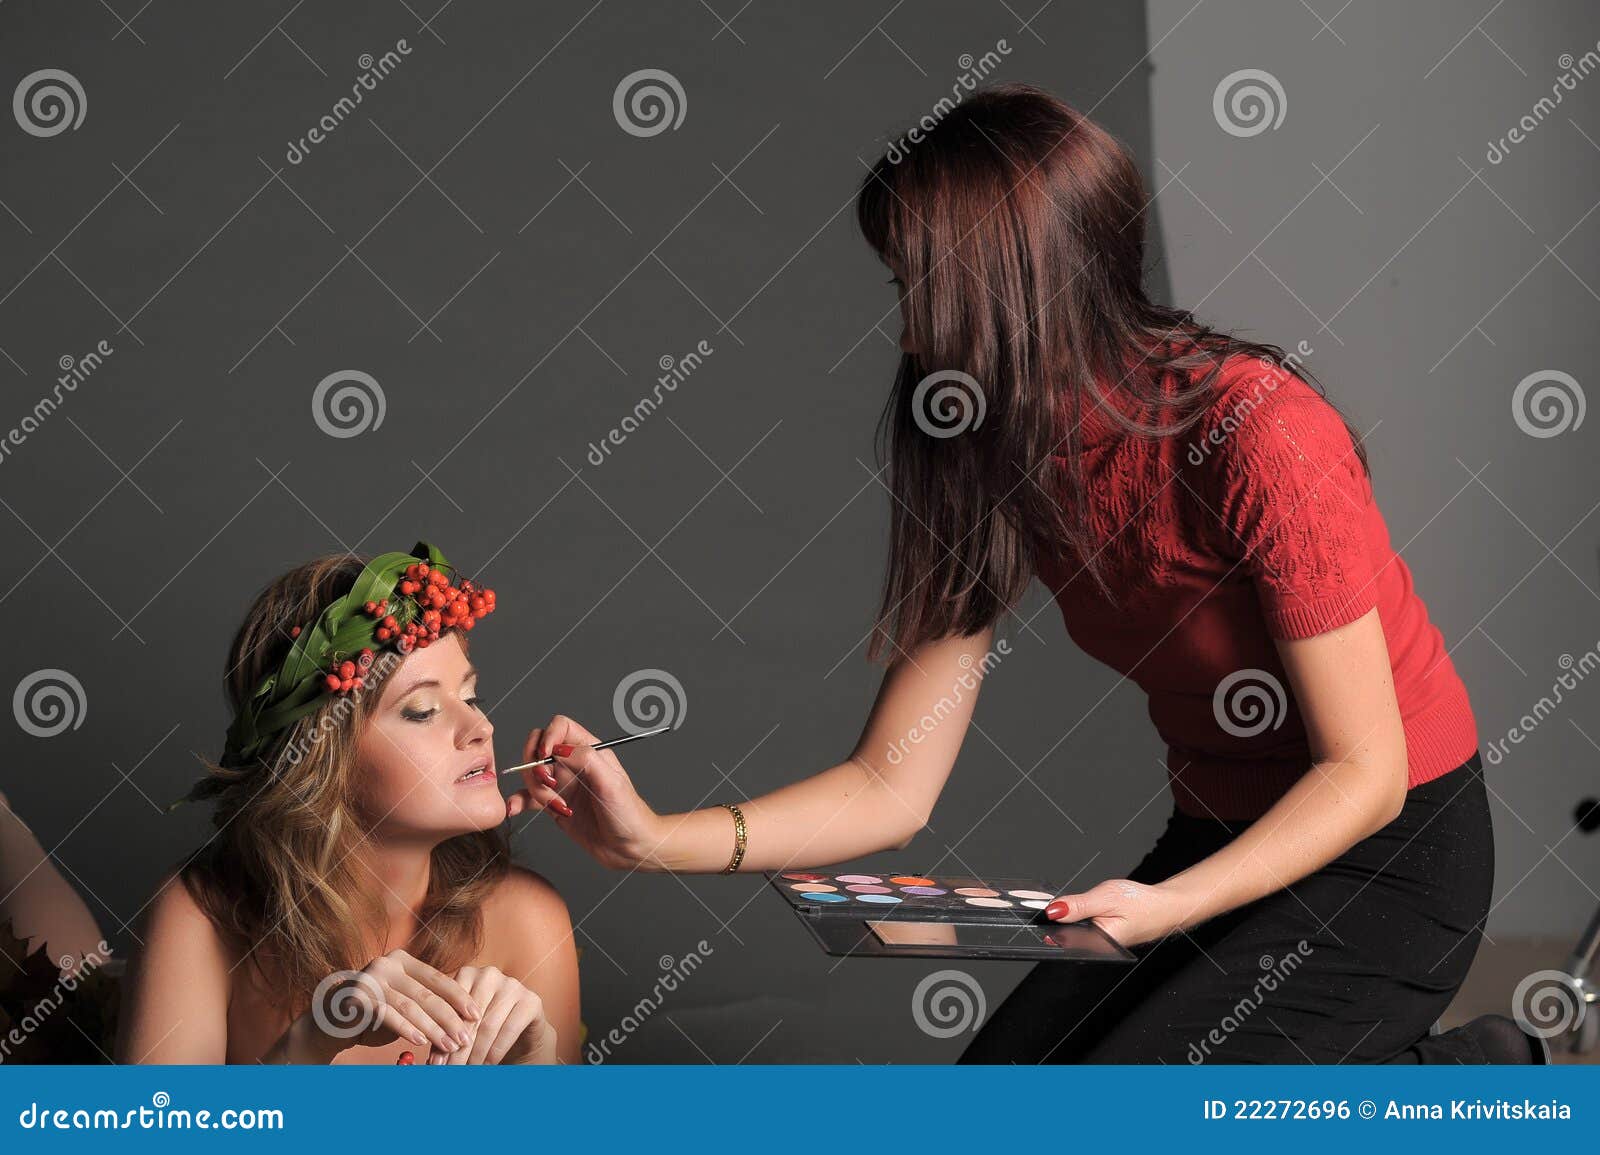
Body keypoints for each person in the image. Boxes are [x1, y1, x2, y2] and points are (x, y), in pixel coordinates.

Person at [503, 85, 1542, 1064]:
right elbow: (886, 786)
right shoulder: (988, 447)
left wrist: (1170, 909)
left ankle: (1479, 1082)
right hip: (1217, 839)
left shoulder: (1258, 433)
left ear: (1012, 291)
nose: (907, 329)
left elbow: (1363, 774)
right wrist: (647, 841)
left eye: (921, 290)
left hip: (1386, 850)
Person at [115, 542, 580, 1064]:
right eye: (423, 710)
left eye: (470, 697)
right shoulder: (203, 913)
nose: (481, 727)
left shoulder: (529, 918)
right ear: (320, 758)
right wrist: (310, 1043)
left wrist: (542, 1084)